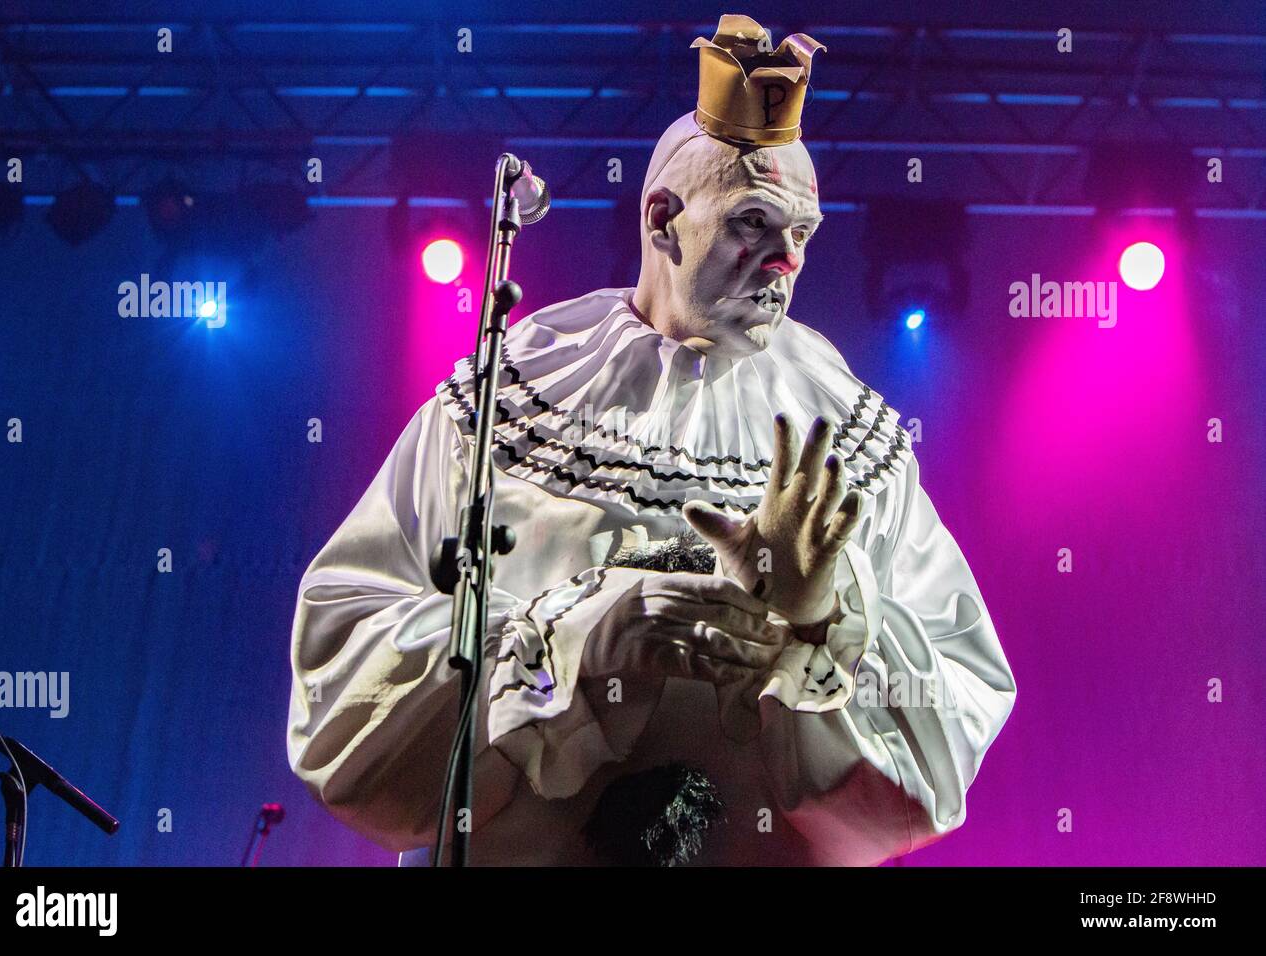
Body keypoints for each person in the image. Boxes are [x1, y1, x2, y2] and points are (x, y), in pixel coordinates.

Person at [287, 14, 1015, 866]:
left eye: (803, 234)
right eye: (752, 223)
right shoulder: (506, 402)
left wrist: (821, 618)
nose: (785, 261)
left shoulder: (846, 438)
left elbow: (950, 723)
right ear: (664, 218)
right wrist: (582, 634)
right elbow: (346, 683)